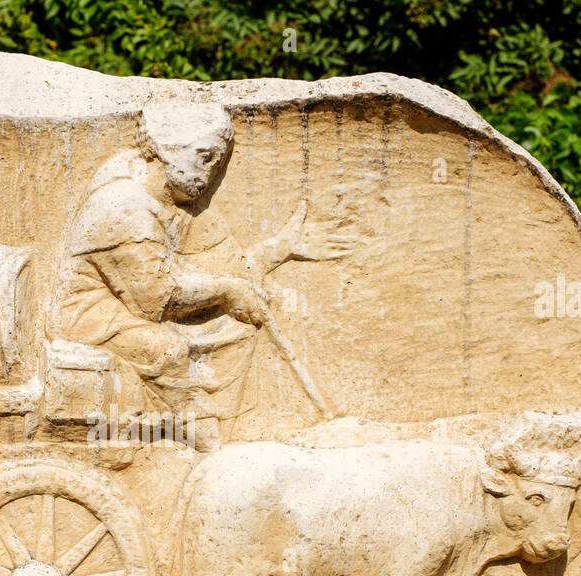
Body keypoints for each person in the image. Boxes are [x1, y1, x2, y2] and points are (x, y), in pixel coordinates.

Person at [52, 102, 356, 451]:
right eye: (204, 157)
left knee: (235, 329)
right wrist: (228, 292)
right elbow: (157, 295)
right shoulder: (122, 204)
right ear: (166, 150)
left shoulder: (169, 197)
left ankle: (236, 428)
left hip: (134, 304)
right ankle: (206, 440)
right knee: (165, 348)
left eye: (218, 161)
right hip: (91, 316)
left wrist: (279, 249)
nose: (211, 171)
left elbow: (216, 267)